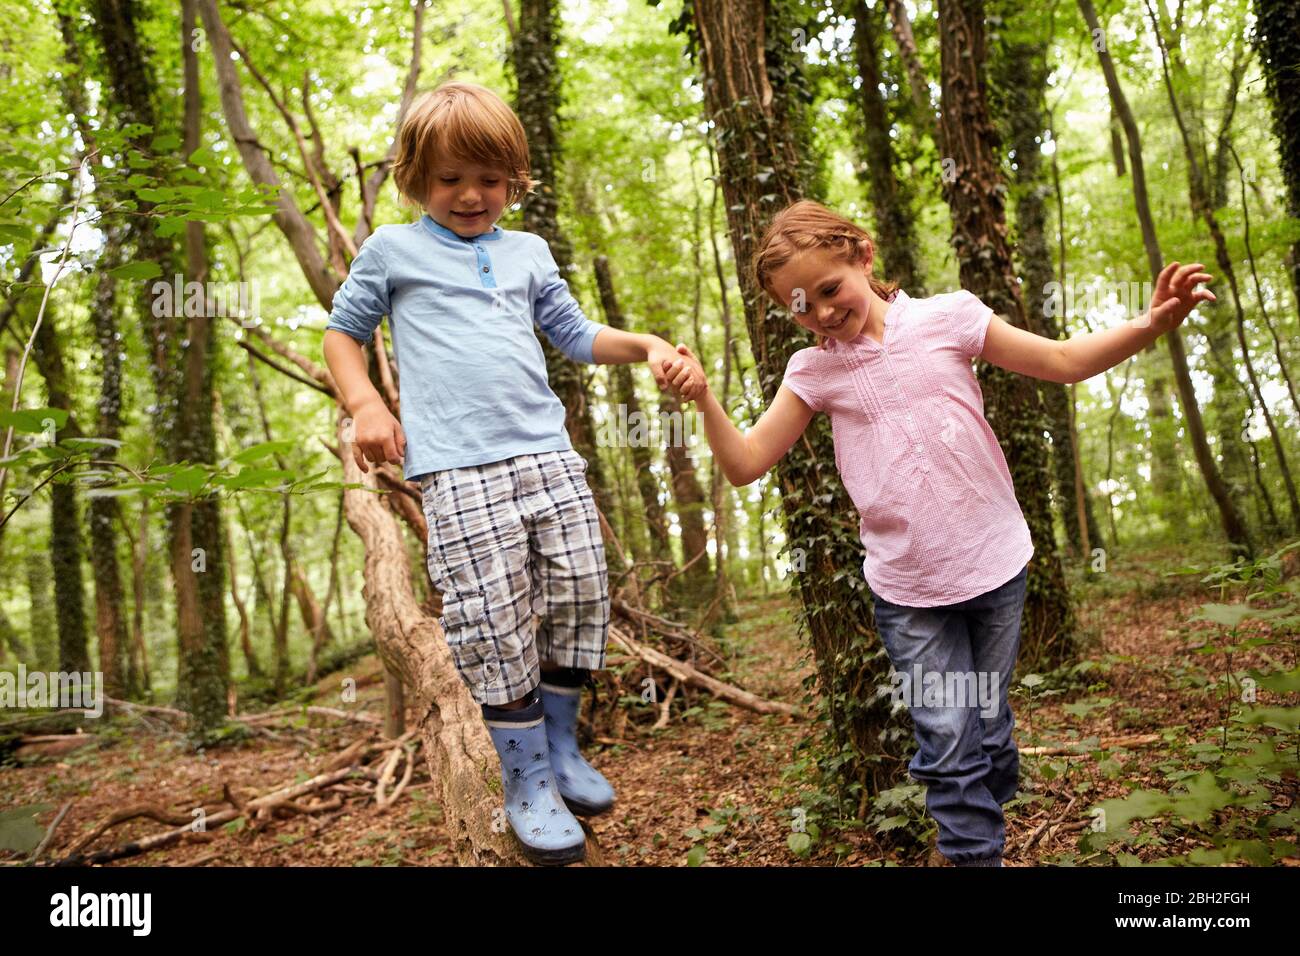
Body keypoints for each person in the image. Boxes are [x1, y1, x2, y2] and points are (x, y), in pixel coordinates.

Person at [668, 198, 1213, 866]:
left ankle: (983, 795)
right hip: (907, 591)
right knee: (951, 743)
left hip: (995, 565)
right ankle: (973, 851)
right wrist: (703, 399)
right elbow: (747, 463)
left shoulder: (948, 317)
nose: (821, 313)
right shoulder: (814, 372)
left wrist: (1153, 322)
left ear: (863, 256)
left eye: (831, 289)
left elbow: (1064, 361)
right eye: (801, 304)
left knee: (985, 728)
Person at [321, 81, 701, 865]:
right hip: (458, 468)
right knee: (491, 619)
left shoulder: (527, 251)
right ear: (415, 178)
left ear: (514, 179)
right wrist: (365, 405)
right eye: (451, 178)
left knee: (581, 591)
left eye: (489, 179)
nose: (471, 195)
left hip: (546, 453)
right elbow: (341, 335)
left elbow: (574, 332)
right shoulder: (393, 250)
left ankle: (561, 748)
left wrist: (648, 345)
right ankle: (524, 777)